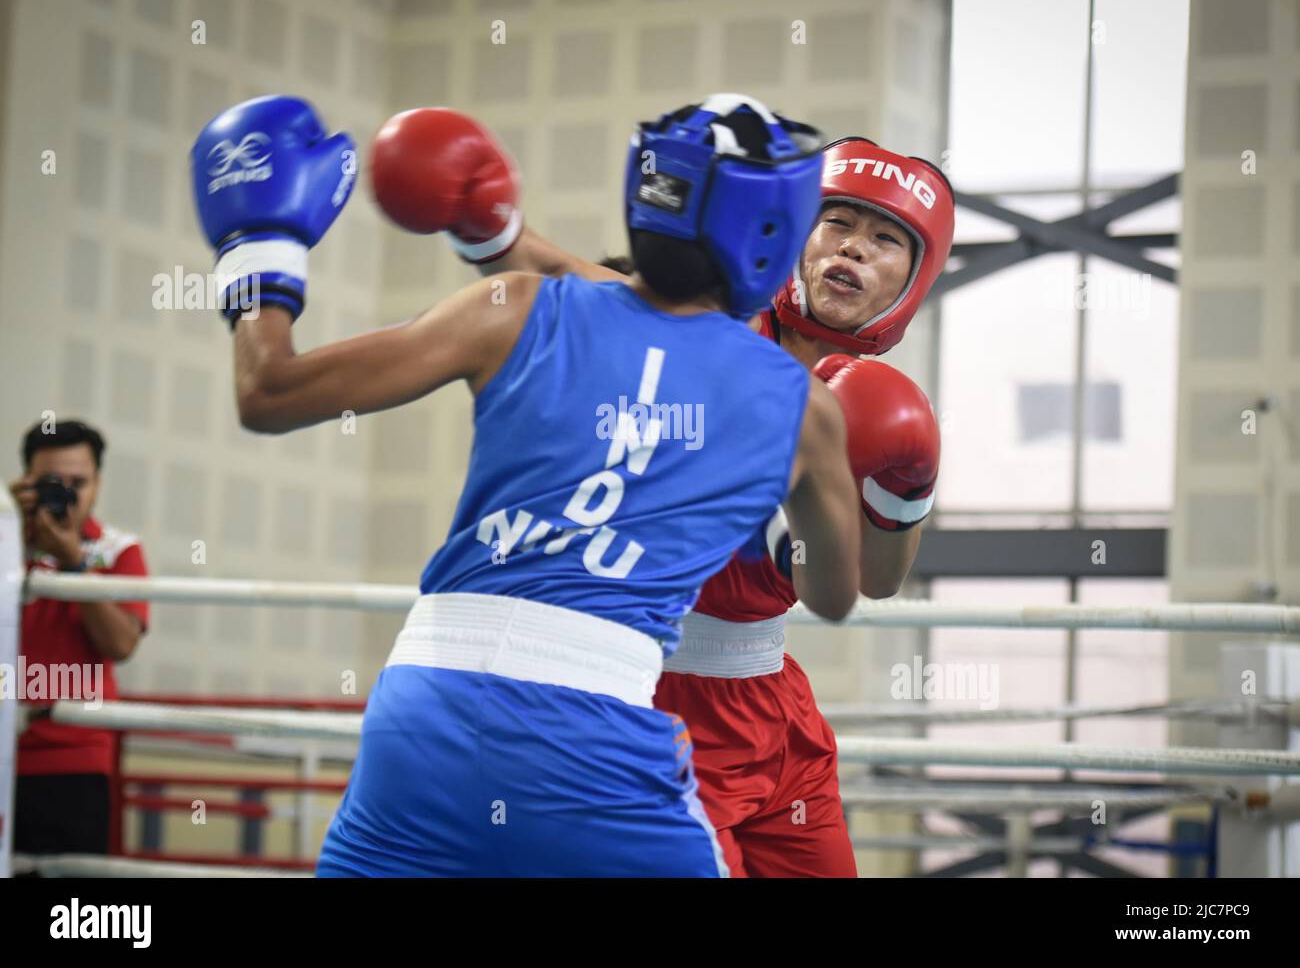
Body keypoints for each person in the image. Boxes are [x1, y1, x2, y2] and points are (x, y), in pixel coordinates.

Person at [189, 93, 864, 876]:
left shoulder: (508, 307)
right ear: (771, 233)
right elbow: (836, 595)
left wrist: (260, 242)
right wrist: (800, 508)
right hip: (595, 735)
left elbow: (267, 392)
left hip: (421, 716)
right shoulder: (802, 407)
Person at [421, 111, 954, 876]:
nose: (854, 247)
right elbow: (585, 287)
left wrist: (910, 485)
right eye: (837, 221)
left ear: (913, 277)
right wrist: (492, 232)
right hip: (660, 702)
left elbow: (878, 579)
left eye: (885, 239)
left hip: (775, 709)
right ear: (798, 235)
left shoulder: (884, 405)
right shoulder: (714, 325)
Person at [8, 419, 149, 856]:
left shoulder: (118, 549)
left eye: (78, 483)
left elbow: (121, 644)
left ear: (98, 484)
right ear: (25, 481)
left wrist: (73, 564)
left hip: (75, 755)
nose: (65, 495)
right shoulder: (3, 542)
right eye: (52, 483)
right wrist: (4, 521)